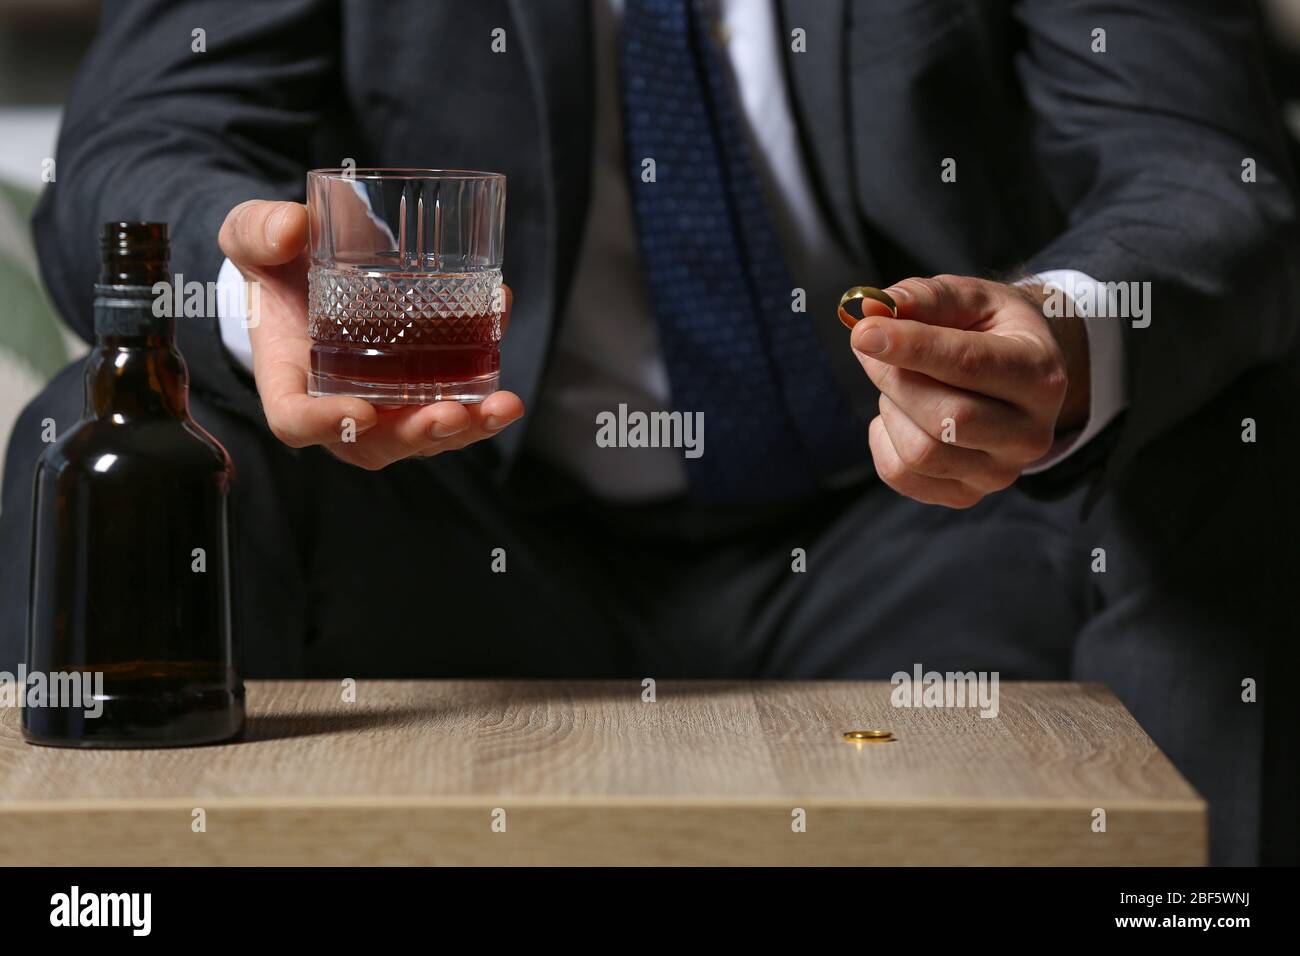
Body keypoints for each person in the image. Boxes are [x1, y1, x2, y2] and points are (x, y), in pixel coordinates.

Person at [1, 0, 1297, 864]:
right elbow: (139, 149)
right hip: (453, 524)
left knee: (1244, 429)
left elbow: (1200, 168)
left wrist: (1058, 339)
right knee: (101, 441)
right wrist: (260, 289)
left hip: (927, 524)